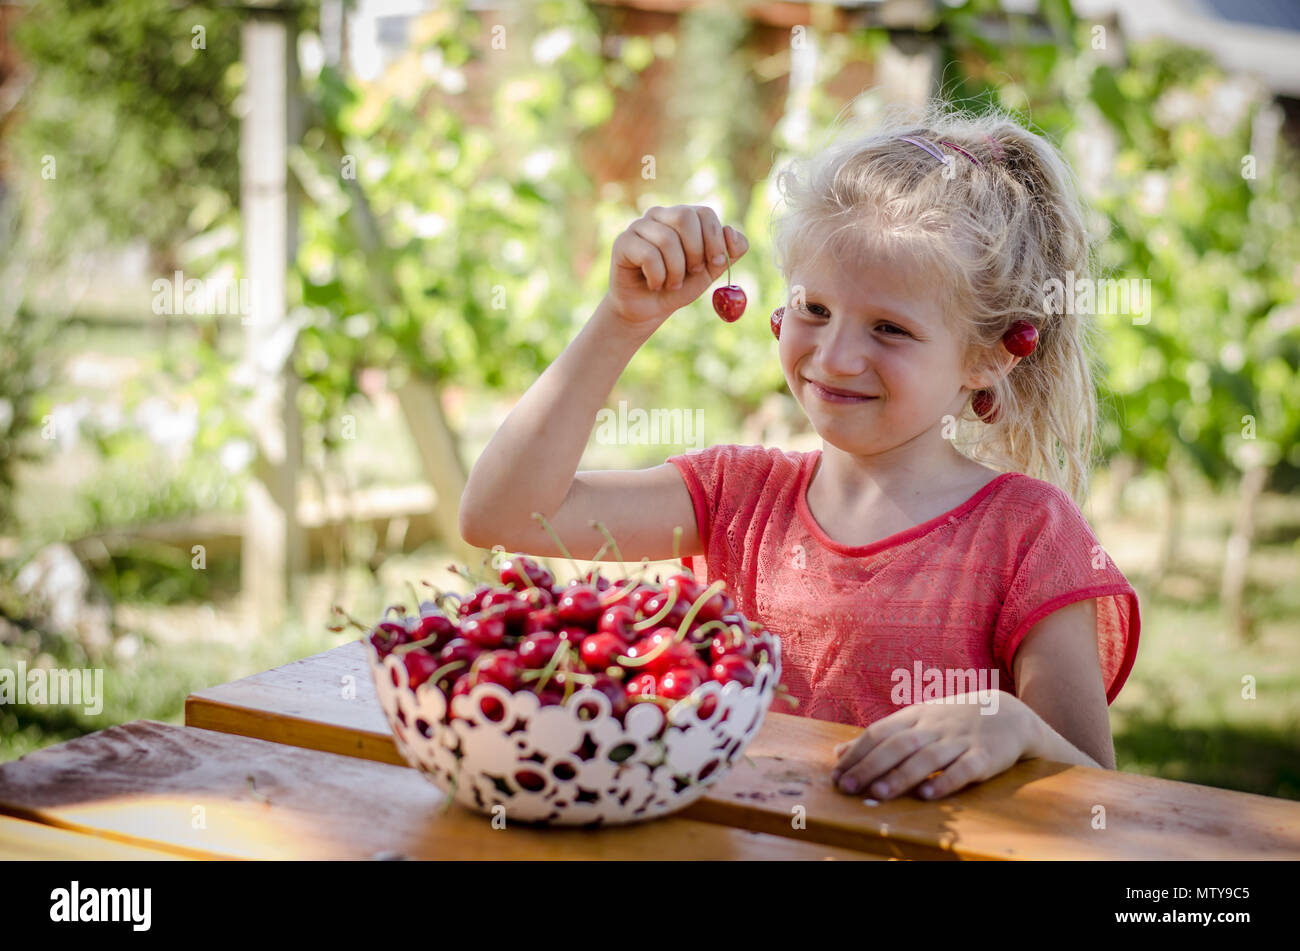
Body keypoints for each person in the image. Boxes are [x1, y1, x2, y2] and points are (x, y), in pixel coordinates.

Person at [458, 102, 1139, 802]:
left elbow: (1094, 795)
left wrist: (1015, 726)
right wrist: (623, 319)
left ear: (991, 354)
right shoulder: (736, 496)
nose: (836, 357)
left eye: (889, 328)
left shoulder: (1029, 533)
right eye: (814, 309)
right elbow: (502, 514)